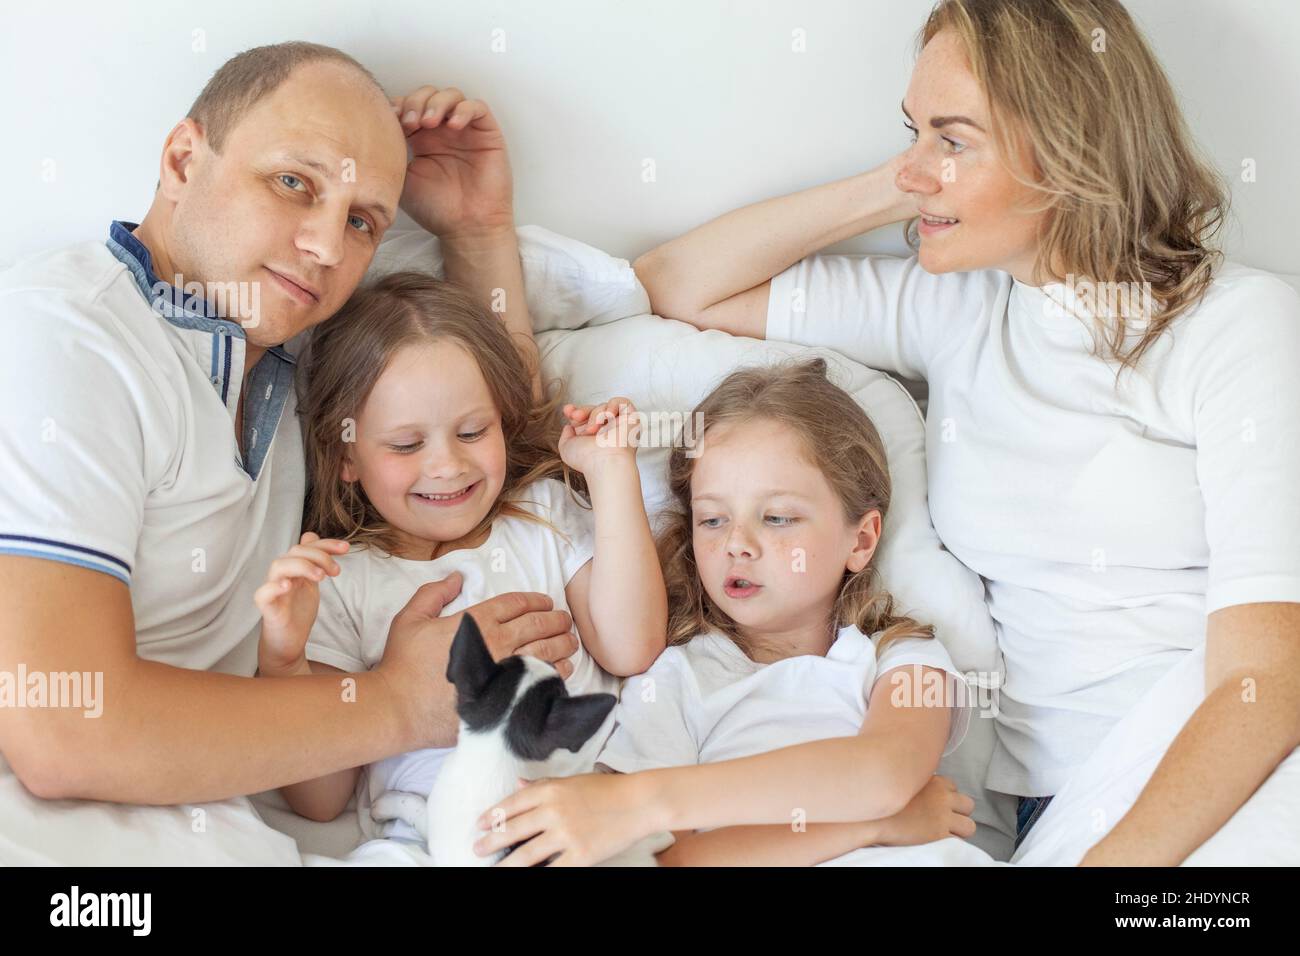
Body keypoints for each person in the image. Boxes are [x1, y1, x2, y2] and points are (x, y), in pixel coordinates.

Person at [630, 0, 1300, 864]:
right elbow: (676, 283)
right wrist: (912, 175)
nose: (918, 168)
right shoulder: (955, 305)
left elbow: (1266, 684)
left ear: (1068, 151)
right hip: (1054, 811)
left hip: (1224, 779)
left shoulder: (1239, 325)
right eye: (913, 130)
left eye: (954, 138)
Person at [0, 41, 578, 850]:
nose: (326, 247)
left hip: (217, 825)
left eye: (363, 221)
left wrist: (478, 231)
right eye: (294, 183)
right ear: (181, 160)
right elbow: (65, 726)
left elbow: (480, 405)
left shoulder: (298, 351)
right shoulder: (66, 337)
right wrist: (397, 704)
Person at [476, 359, 974, 866]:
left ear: (861, 540)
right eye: (712, 519)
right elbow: (674, 862)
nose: (737, 543)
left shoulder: (901, 657)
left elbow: (882, 773)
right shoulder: (678, 680)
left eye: (777, 517)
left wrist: (635, 802)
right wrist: (875, 827)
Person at [253, 271, 665, 844]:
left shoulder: (540, 518)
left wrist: (611, 473)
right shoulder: (341, 581)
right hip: (429, 841)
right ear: (345, 455)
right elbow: (321, 801)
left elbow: (632, 646)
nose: (447, 465)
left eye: (473, 431)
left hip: (575, 825)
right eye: (406, 444)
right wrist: (284, 660)